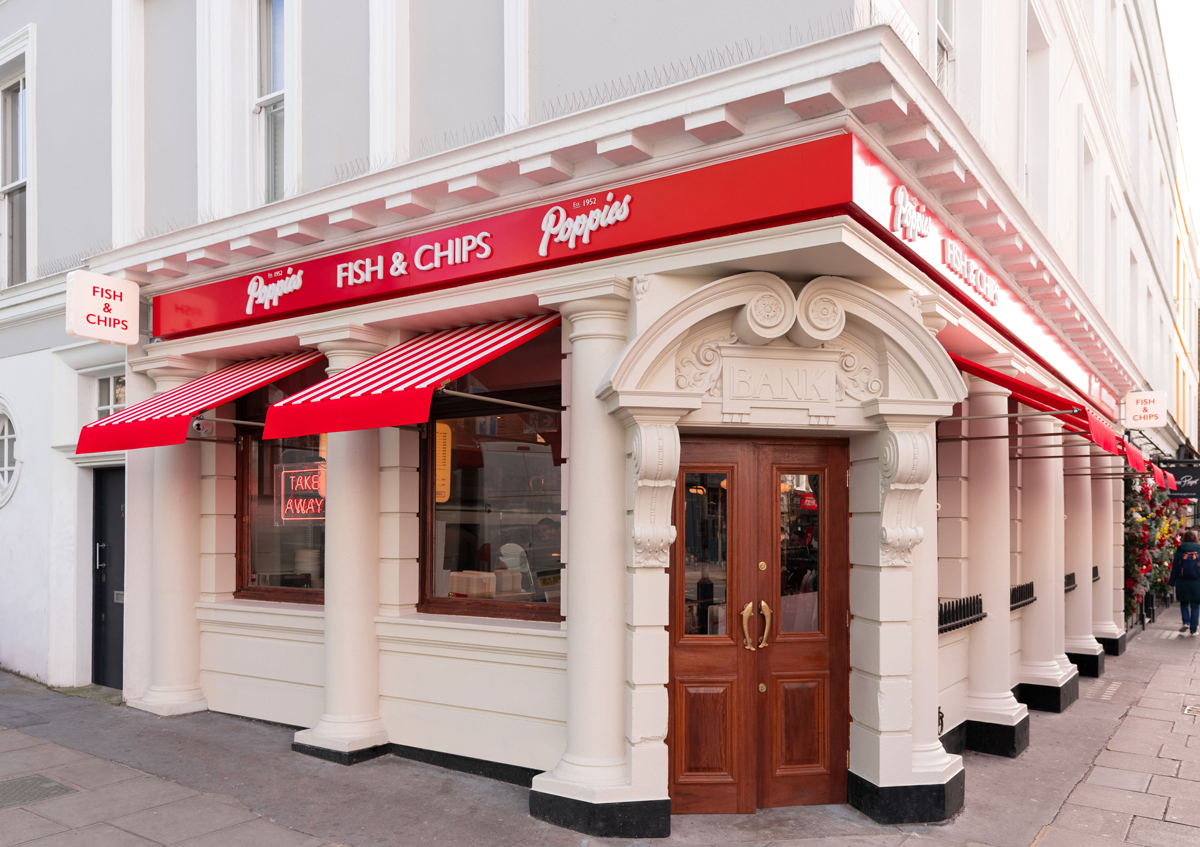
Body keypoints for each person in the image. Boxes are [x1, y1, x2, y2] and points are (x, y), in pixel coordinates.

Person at [1169, 529, 1200, 635]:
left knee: (1184, 603)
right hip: (1197, 582)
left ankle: (1186, 622)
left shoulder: (1180, 551)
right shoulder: (1199, 550)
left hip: (1182, 581)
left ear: (1184, 539)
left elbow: (1175, 568)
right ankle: (1193, 630)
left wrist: (1171, 583)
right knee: (1195, 605)